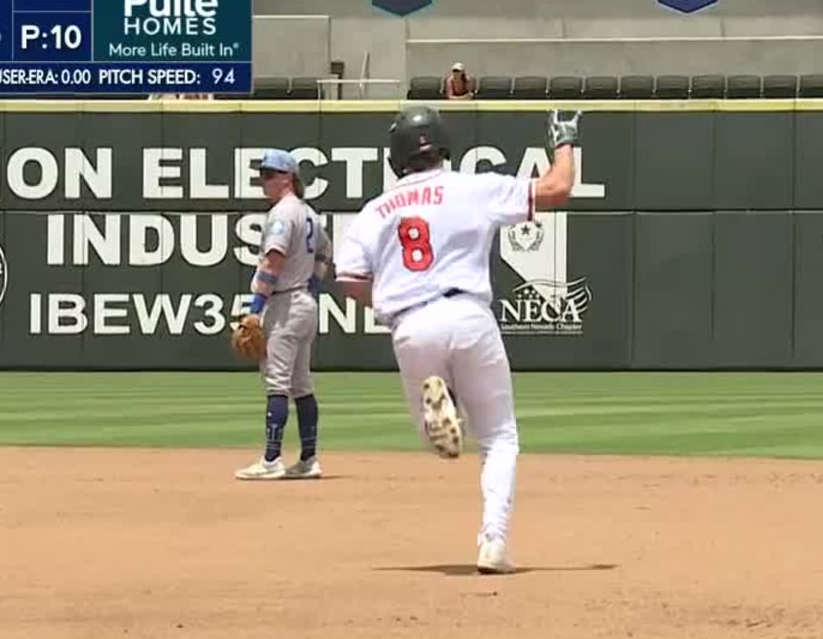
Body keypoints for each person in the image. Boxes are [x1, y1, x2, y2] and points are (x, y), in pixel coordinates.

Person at [333, 105, 580, 573]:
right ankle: (494, 542)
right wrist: (564, 141)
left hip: (411, 323)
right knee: (500, 437)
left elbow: (348, 278)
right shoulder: (473, 187)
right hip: (469, 316)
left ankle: (443, 406)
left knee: (439, 443)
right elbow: (557, 188)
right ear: (444, 146)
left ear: (395, 158)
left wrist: (387, 303)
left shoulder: (374, 211)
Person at [235, 149, 331, 481]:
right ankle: (308, 459)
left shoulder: (282, 213)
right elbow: (325, 252)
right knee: (301, 383)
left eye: (269, 175)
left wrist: (255, 309)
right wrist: (311, 287)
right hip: (304, 303)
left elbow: (273, 261)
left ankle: (271, 460)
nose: (263, 181)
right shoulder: (308, 213)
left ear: (287, 178)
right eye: (262, 175)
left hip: (284, 304)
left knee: (277, 382)